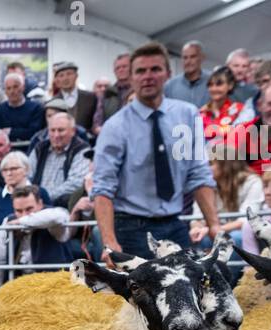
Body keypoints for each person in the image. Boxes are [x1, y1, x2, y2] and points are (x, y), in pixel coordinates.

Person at [92, 42, 219, 259]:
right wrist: (109, 242)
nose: (147, 76)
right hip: (130, 228)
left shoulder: (187, 115)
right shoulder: (115, 126)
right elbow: (103, 188)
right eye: (140, 71)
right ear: (130, 78)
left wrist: (214, 226)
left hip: (174, 223)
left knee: (190, 289)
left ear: (168, 74)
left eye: (155, 69)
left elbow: (199, 175)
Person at [0, 185, 74, 290]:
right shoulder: (9, 220)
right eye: (19, 211)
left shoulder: (54, 214)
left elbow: (58, 217)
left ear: (40, 204)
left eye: (29, 209)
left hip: (53, 286)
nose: (24, 214)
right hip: (19, 284)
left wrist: (21, 222)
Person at [188, 144, 264, 247]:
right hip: (213, 230)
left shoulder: (252, 182)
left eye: (210, 163)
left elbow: (246, 220)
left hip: (241, 232)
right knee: (196, 238)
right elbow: (197, 218)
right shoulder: (205, 185)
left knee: (235, 237)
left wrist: (214, 229)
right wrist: (196, 228)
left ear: (227, 164)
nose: (205, 169)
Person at [0, 152, 51, 255]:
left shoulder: (41, 193)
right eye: (5, 170)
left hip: (39, 252)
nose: (9, 173)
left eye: (14, 169)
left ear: (26, 169)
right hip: (4, 254)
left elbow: (50, 221)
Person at [27, 113, 91, 209]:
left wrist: (43, 198)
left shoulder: (82, 150)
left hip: (64, 207)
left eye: (61, 130)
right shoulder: (40, 148)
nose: (56, 135)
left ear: (73, 131)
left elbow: (75, 183)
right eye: (52, 130)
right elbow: (26, 175)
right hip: (34, 206)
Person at [0, 72, 44, 143]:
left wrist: (10, 131)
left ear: (23, 87)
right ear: (5, 91)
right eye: (8, 88)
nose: (12, 91)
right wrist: (22, 131)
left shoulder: (36, 108)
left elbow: (34, 132)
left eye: (15, 87)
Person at [199, 67, 245, 143]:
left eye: (219, 84)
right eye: (210, 85)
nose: (214, 88)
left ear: (230, 85)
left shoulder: (238, 109)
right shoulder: (201, 112)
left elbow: (237, 134)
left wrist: (215, 113)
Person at [50, 61, 98, 133]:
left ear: (76, 76)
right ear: (57, 79)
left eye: (69, 74)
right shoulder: (52, 102)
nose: (65, 78)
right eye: (61, 75)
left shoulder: (90, 98)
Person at [164, 41, 212, 107]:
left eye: (193, 57)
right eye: (185, 58)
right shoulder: (170, 86)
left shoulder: (213, 81)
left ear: (202, 58)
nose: (188, 61)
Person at [96, 53, 134, 134]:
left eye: (124, 67)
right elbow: (97, 122)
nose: (121, 70)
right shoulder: (106, 94)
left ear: (132, 67)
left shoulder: (140, 91)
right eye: (117, 68)